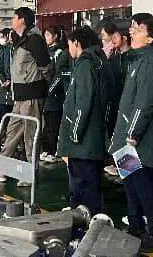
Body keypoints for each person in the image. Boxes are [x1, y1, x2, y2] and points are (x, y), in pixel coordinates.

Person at [109, 13, 153, 253]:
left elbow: (145, 103)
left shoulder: (151, 63)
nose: (131, 32)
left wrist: (132, 133)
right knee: (131, 184)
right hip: (128, 138)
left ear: (150, 38)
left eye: (138, 29)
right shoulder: (138, 61)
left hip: (139, 141)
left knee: (145, 186)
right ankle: (136, 225)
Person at [0, 7, 52, 186]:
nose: (12, 21)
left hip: (31, 96)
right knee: (11, 132)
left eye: (14, 17)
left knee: (31, 135)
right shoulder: (21, 40)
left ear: (22, 20)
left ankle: (31, 174)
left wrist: (39, 86)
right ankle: (2, 169)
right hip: (19, 96)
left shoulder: (34, 40)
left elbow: (46, 67)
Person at [59, 25, 107, 215]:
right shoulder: (95, 61)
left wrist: (75, 132)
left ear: (77, 43)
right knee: (87, 181)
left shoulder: (85, 65)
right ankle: (85, 213)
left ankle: (84, 216)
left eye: (69, 44)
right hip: (90, 137)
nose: (68, 48)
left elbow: (83, 102)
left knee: (83, 181)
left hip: (83, 140)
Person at [41, 26, 71, 164]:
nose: (46, 37)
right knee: (47, 124)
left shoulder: (61, 53)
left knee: (54, 124)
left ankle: (54, 151)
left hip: (55, 96)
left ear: (55, 36)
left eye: (48, 35)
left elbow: (59, 75)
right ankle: (46, 149)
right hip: (46, 93)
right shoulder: (46, 51)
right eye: (45, 35)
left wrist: (50, 90)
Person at [100, 20, 131, 142]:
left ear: (124, 38)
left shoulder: (133, 58)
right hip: (113, 105)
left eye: (116, 36)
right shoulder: (112, 58)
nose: (112, 39)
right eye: (111, 36)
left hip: (127, 105)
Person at [0, 29, 14, 122]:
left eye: (3, 37)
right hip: (3, 87)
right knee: (3, 114)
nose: (1, 39)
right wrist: (3, 81)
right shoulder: (2, 50)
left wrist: (10, 80)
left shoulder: (13, 50)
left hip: (12, 88)